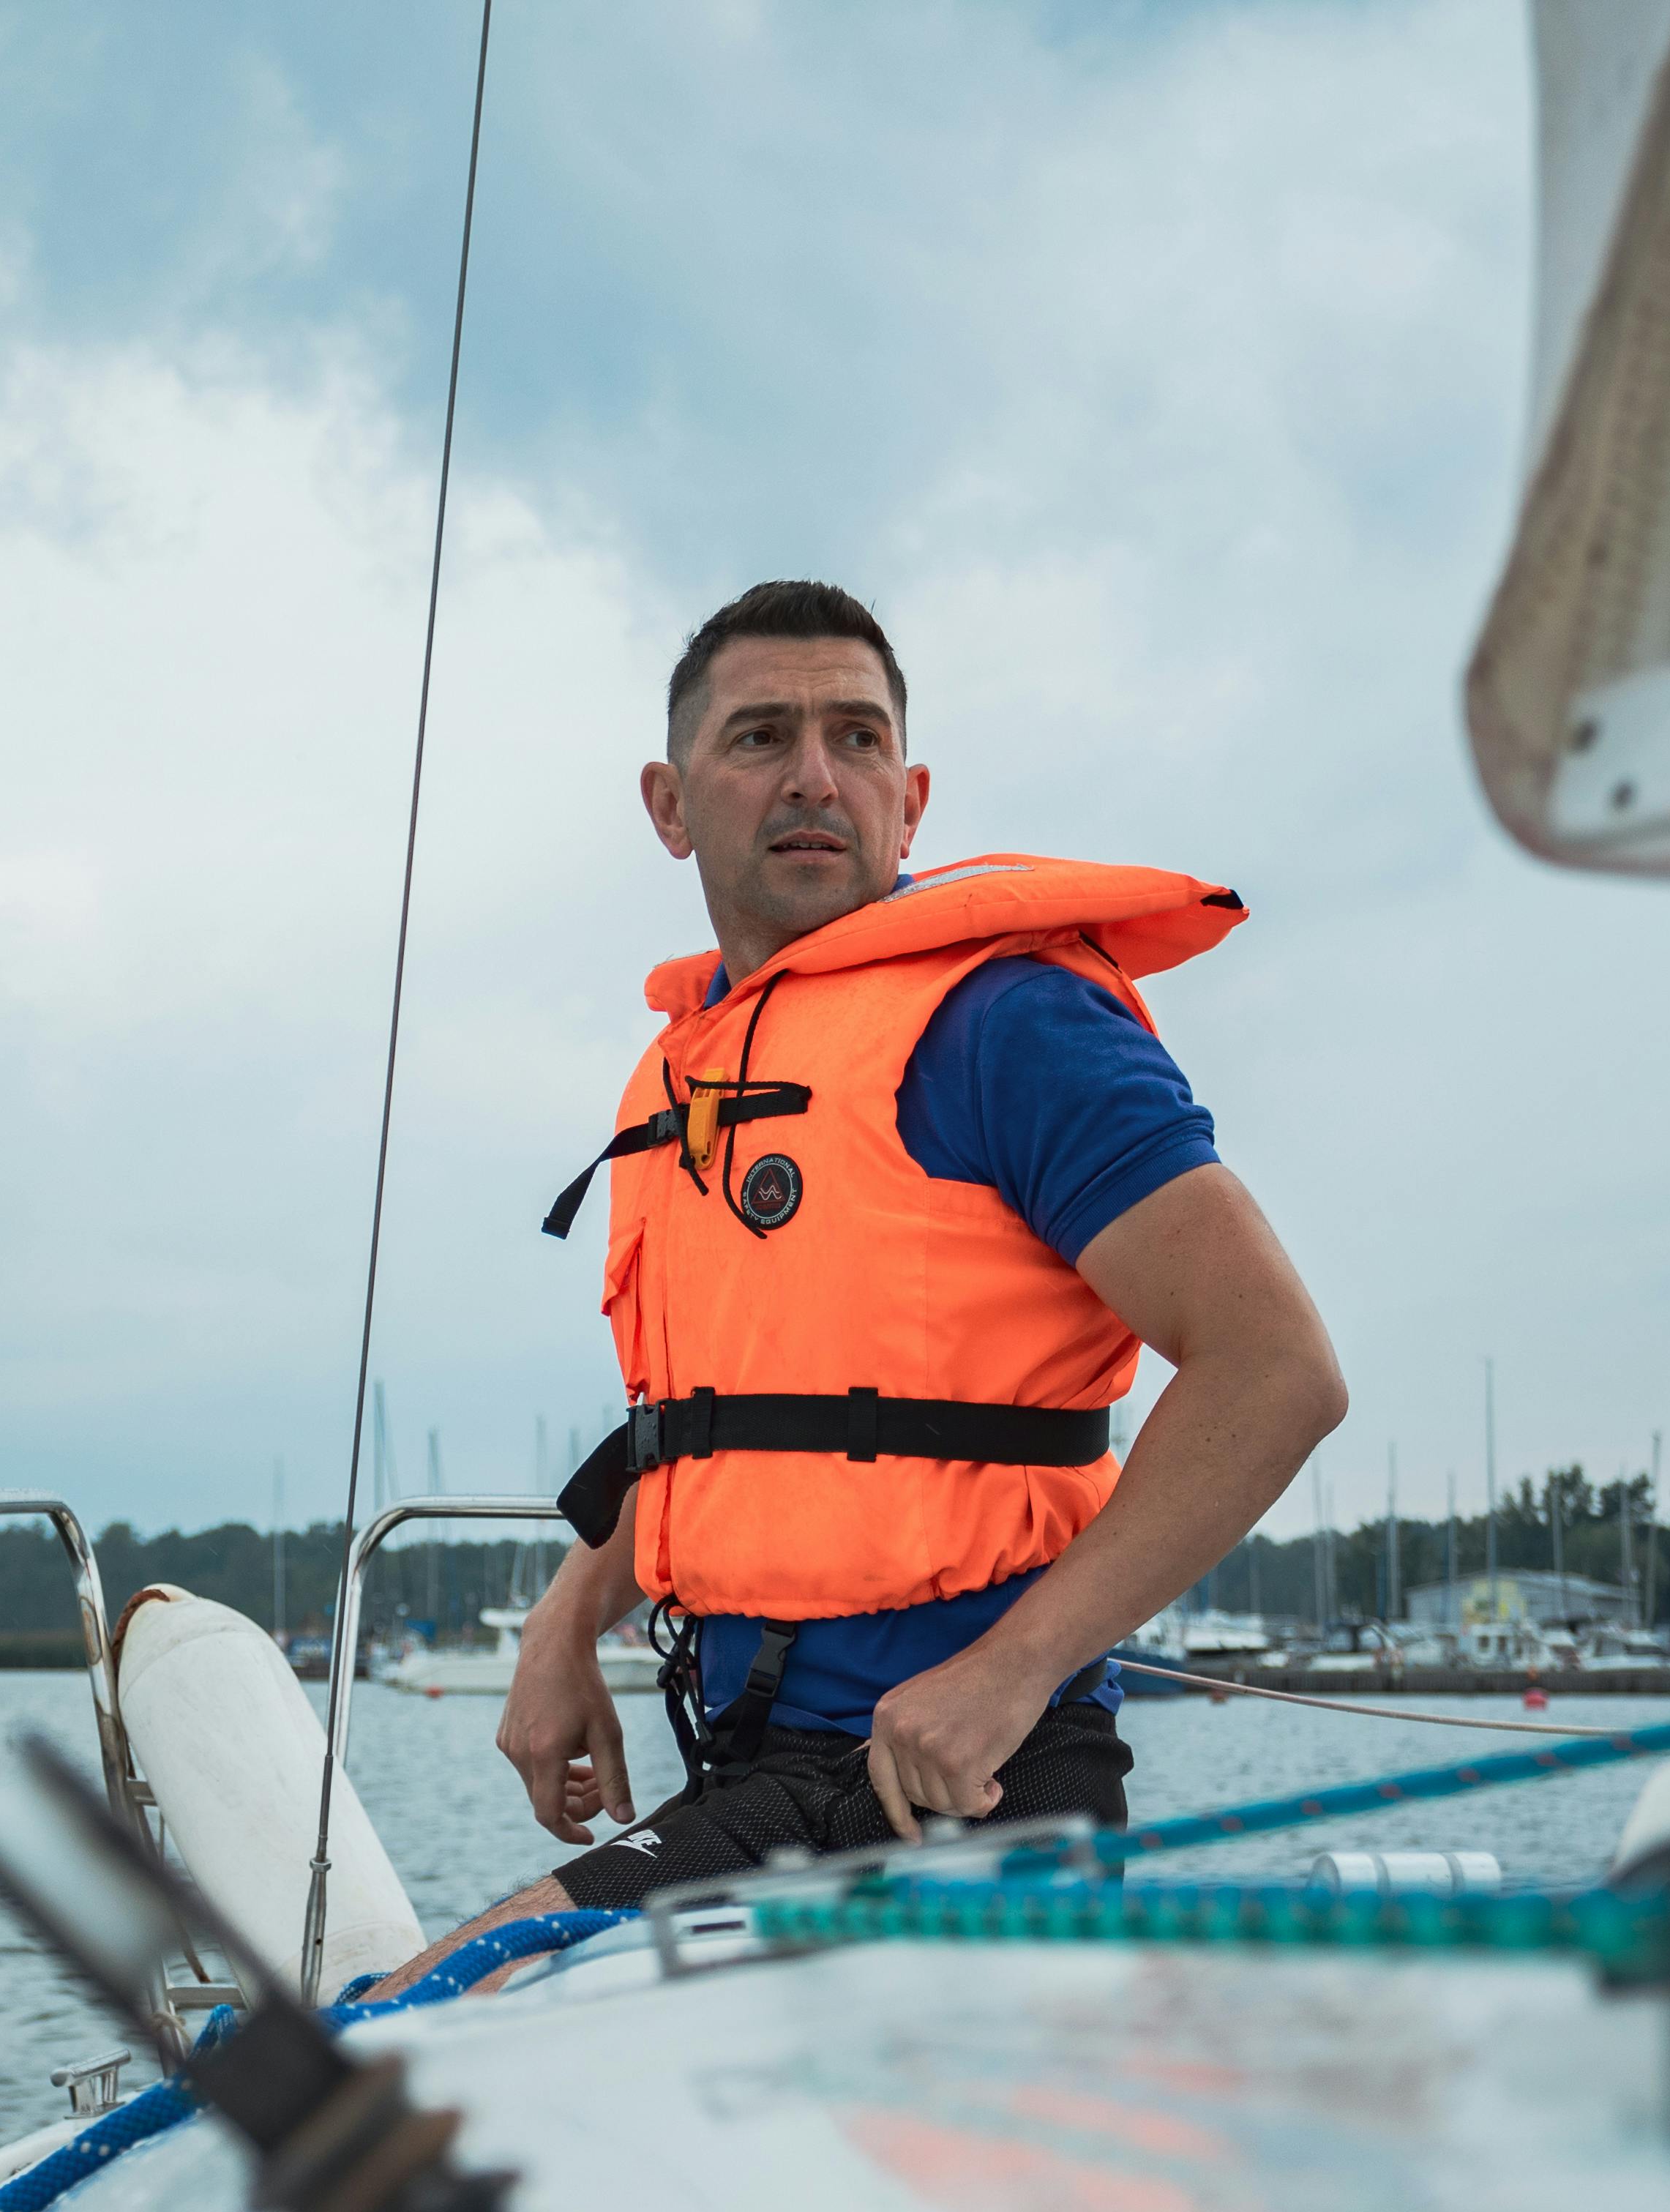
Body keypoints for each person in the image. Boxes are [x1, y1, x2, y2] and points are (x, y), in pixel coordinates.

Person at [379, 579, 1344, 1987]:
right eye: (761, 736)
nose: (816, 778)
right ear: (669, 805)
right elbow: (736, 1431)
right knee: (441, 2027)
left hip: (964, 1787)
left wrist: (1011, 1670)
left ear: (913, 796)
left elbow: (1277, 1371)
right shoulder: (700, 1073)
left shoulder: (1010, 1026)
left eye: (857, 737)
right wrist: (567, 1615)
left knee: (444, 2009)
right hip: (765, 1778)